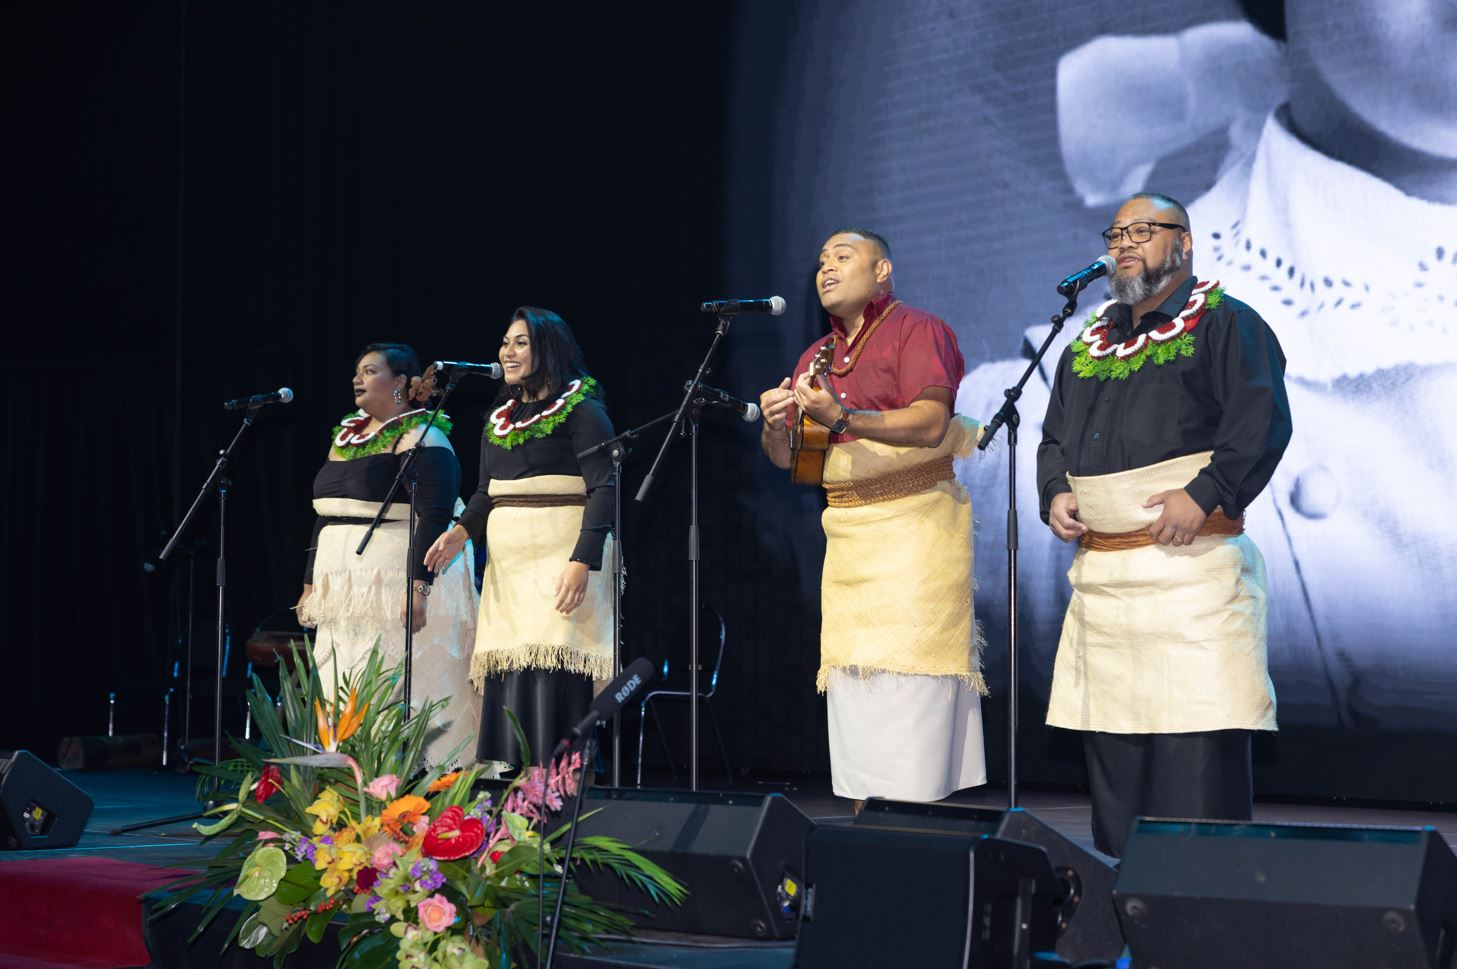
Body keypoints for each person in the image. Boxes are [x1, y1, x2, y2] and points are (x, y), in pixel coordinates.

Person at [1034, 193, 1292, 858]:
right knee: (1117, 772)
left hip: (1190, 577)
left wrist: (1206, 493)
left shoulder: (1226, 324)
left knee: (1194, 766)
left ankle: (1204, 926)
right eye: (1116, 232)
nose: (1124, 243)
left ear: (1183, 243)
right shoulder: (1084, 346)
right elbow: (1052, 439)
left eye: (1142, 230)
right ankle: (1130, 924)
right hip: (1105, 588)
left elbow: (1258, 420)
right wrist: (1055, 491)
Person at [758, 228, 987, 808]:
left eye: (843, 256)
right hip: (850, 543)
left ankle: (910, 824)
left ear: (882, 270)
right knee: (857, 688)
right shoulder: (815, 356)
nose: (826, 267)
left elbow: (932, 423)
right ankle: (867, 823)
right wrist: (773, 424)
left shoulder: (919, 329)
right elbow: (799, 464)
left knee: (908, 683)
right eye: (820, 261)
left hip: (916, 532)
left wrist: (844, 417)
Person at [424, 308, 616, 769]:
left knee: (553, 671)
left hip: (561, 558)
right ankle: (511, 783)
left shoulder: (584, 410)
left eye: (520, 343)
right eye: (505, 342)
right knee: (510, 671)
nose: (507, 351)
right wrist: (461, 531)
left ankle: (557, 784)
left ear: (548, 349)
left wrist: (581, 560)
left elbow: (605, 487)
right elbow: (485, 492)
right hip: (510, 571)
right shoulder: (498, 418)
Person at [296, 343, 480, 767]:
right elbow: (325, 517)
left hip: (393, 583)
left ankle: (425, 776)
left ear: (400, 382)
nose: (358, 378)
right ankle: (349, 777)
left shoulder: (423, 435)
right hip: (343, 590)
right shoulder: (346, 438)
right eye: (356, 371)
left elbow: (435, 514)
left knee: (394, 682)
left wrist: (419, 586)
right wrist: (309, 584)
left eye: (370, 370)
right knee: (345, 682)